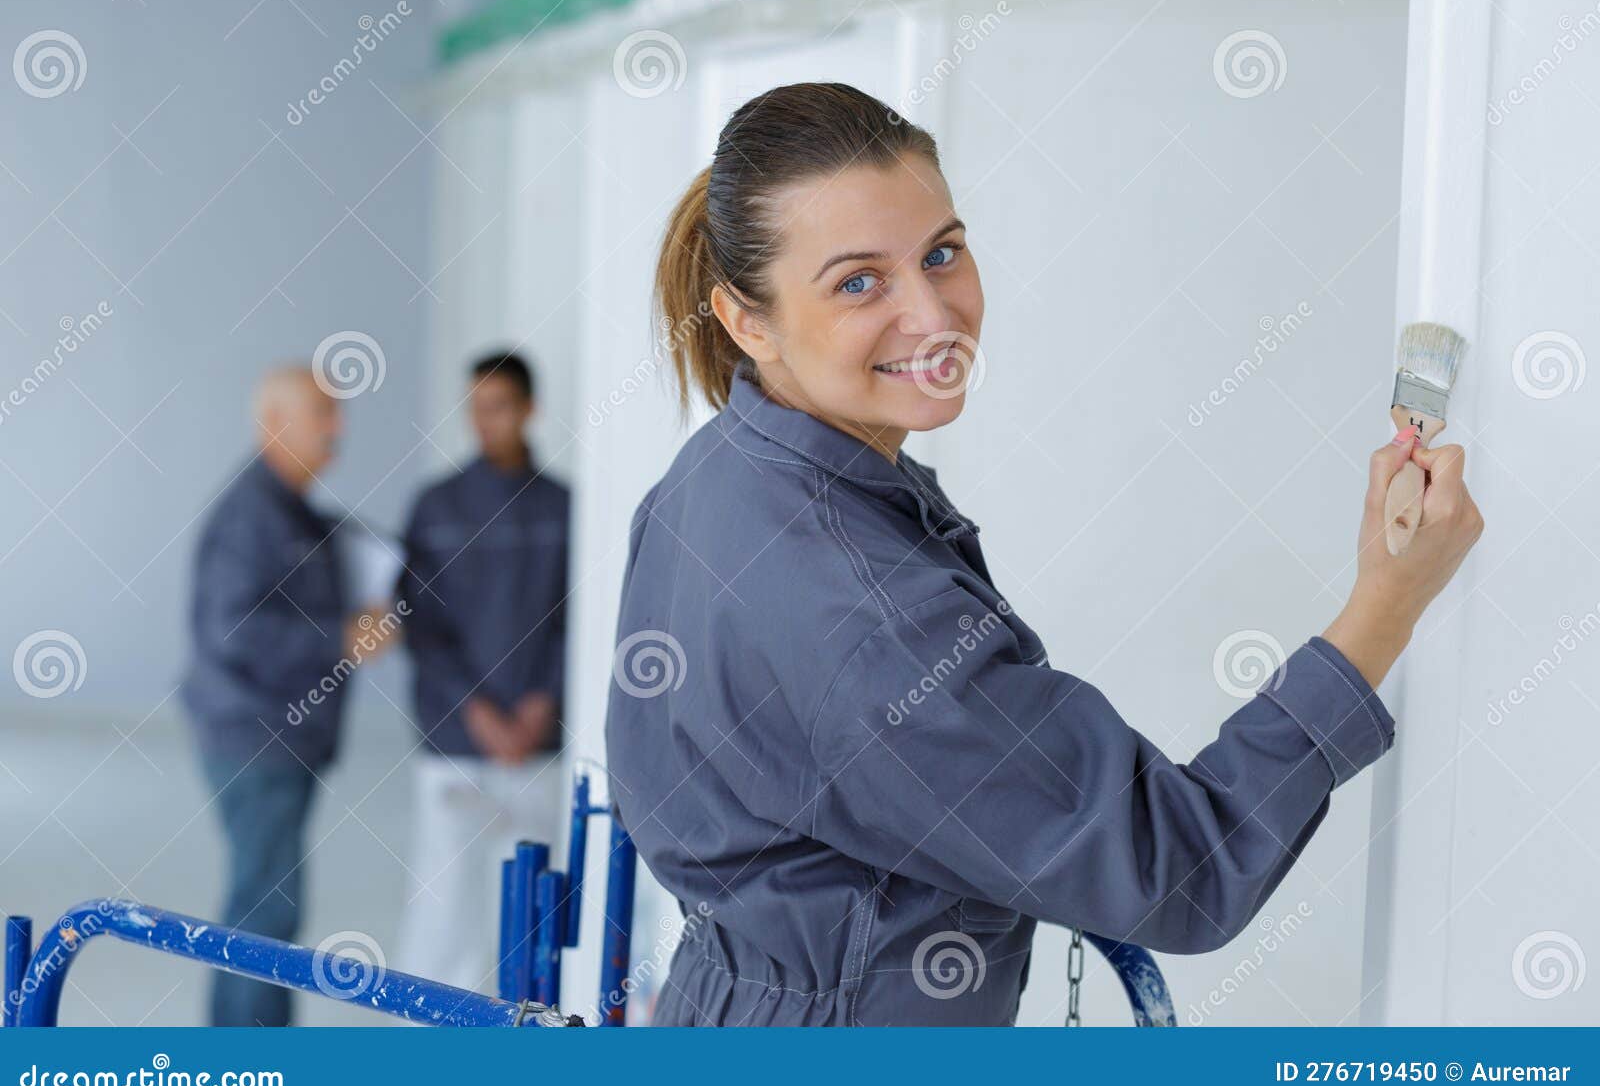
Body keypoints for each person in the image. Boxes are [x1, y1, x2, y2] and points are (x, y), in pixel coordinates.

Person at [602, 83, 1485, 1026]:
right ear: (747, 320)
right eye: (859, 282)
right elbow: (1181, 869)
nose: (933, 313)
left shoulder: (714, 478)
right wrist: (1387, 603)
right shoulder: (868, 618)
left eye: (942, 253)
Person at [181, 367, 392, 1026]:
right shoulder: (252, 515)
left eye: (338, 413)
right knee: (265, 910)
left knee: (263, 905)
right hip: (256, 737)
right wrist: (339, 636)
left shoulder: (293, 509)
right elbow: (233, 629)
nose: (338, 429)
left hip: (278, 737)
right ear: (274, 424)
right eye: (322, 415)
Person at [395, 351, 571, 992]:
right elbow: (421, 624)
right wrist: (477, 710)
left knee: (531, 910)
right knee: (445, 910)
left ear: (529, 410)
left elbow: (571, 619)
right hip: (456, 744)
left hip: (537, 747)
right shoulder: (436, 508)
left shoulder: (563, 509)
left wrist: (540, 704)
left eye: (498, 407)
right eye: (475, 408)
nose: (484, 422)